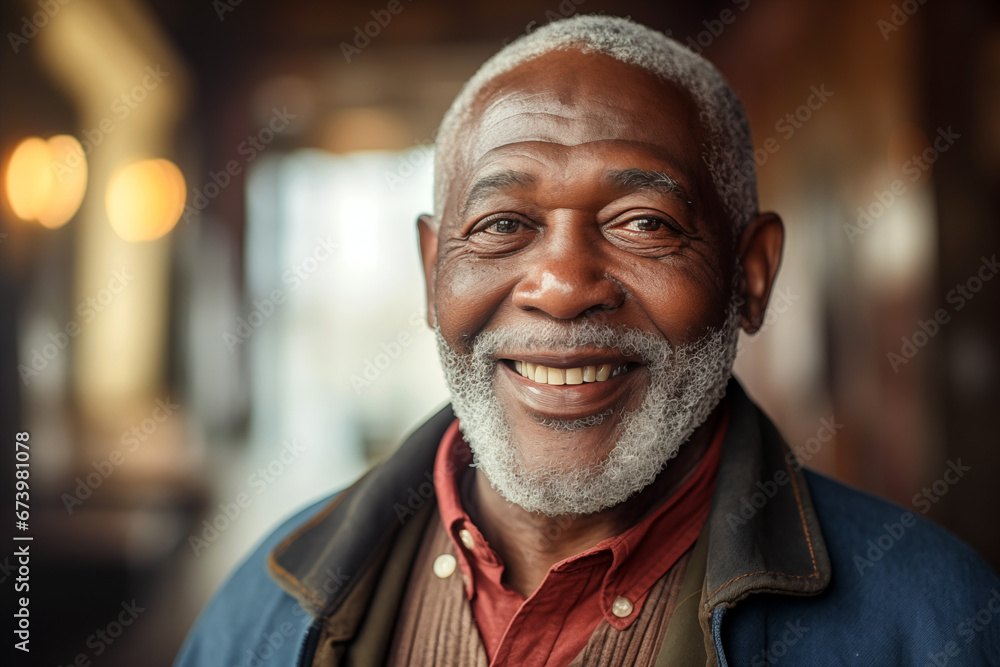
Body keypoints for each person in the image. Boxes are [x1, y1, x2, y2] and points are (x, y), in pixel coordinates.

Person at [175, 14, 1000, 667]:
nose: (564, 287)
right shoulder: (267, 604)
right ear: (433, 272)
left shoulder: (935, 622)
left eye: (643, 223)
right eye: (502, 225)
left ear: (750, 274)